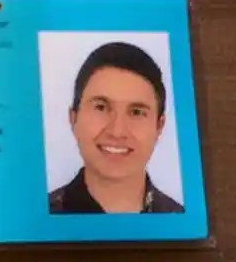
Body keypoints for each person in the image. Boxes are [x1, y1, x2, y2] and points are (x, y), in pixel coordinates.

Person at [48, 41, 184, 214]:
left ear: (159, 126)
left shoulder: (180, 219)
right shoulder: (37, 217)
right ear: (73, 118)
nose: (117, 132)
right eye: (101, 107)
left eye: (136, 112)